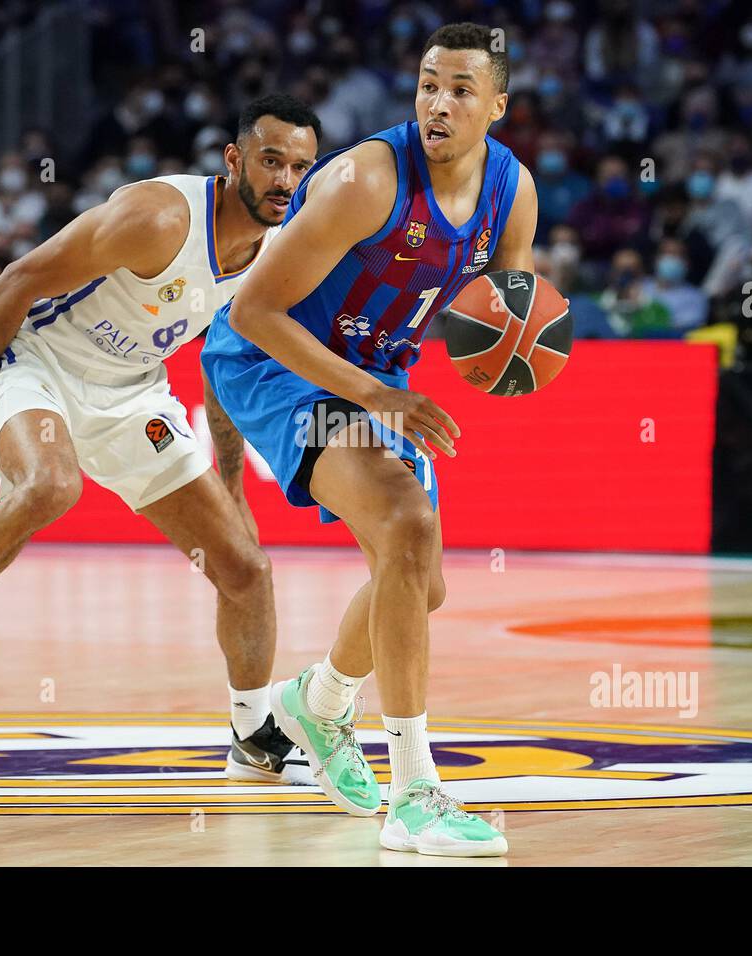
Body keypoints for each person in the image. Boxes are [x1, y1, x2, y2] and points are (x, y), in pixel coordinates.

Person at [0, 96, 322, 787]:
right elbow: (17, 281)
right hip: (34, 361)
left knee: (247, 572)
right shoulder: (159, 218)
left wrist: (234, 484)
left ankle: (250, 730)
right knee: (52, 487)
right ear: (235, 159)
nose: (285, 180)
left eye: (300, 167)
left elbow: (221, 363)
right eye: (272, 161)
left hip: (133, 394)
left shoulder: (276, 253)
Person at [201, 22, 537, 857]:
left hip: (374, 374)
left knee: (418, 584)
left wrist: (514, 346)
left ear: (497, 105)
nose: (438, 101)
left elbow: (503, 311)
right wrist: (379, 394)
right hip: (277, 362)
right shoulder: (362, 179)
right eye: (428, 83)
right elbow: (252, 312)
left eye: (461, 88)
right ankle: (416, 793)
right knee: (407, 527)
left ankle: (315, 705)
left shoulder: (513, 192)